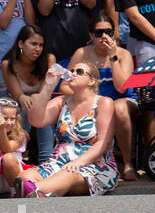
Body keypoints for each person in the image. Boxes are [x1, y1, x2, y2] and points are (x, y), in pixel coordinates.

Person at [21, 59, 116, 198]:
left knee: (67, 174)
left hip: (92, 165)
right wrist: (48, 87)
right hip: (57, 163)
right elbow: (35, 120)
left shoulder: (104, 102)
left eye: (79, 71)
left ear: (91, 81)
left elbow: (104, 142)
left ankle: (37, 191)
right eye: (72, 71)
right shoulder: (62, 101)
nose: (73, 74)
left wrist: (78, 162)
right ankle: (41, 192)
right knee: (24, 177)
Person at [67, 14, 136, 181]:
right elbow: (67, 84)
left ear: (113, 34)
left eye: (108, 32)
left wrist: (113, 58)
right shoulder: (81, 53)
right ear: (91, 35)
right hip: (93, 101)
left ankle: (128, 163)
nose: (104, 37)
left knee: (118, 108)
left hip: (123, 100)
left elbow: (122, 88)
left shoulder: (124, 54)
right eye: (98, 33)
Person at [2, 24, 53, 162]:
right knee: (26, 107)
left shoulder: (49, 60)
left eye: (41, 45)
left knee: (41, 107)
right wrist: (27, 99)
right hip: (19, 105)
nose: (38, 49)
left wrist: (36, 99)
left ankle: (45, 160)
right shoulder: (8, 64)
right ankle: (18, 153)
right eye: (33, 44)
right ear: (21, 43)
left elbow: (45, 93)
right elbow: (18, 95)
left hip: (42, 105)